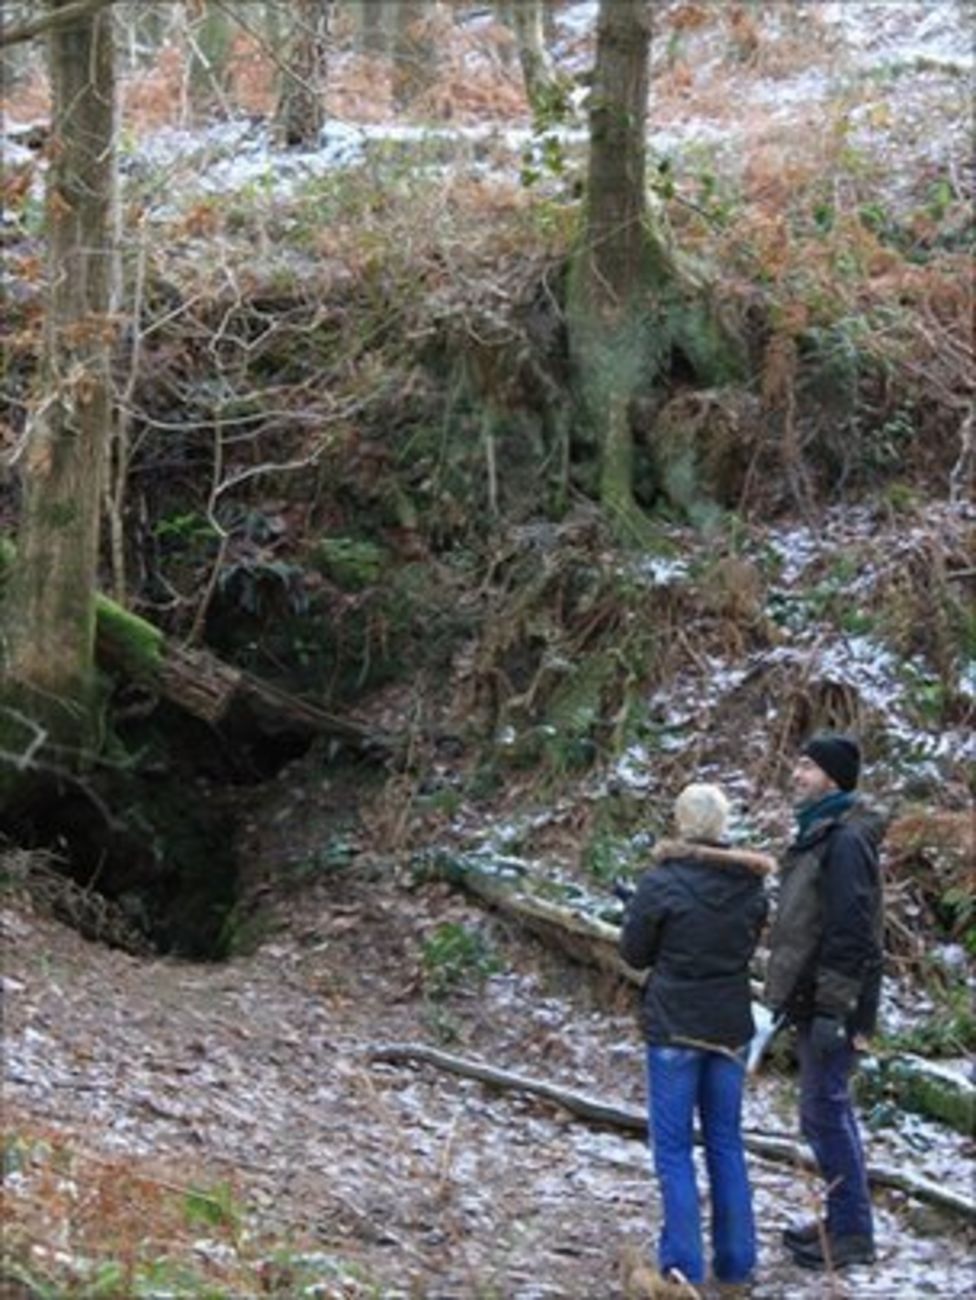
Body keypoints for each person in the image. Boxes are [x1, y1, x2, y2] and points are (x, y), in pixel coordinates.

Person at [620, 782, 773, 1291]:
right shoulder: (752, 888)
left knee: (673, 1149)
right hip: (729, 1027)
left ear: (681, 822)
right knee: (726, 1144)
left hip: (674, 1027)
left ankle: (682, 1268)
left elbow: (635, 954)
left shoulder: (661, 882)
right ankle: (737, 1264)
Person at [765, 733, 885, 1272]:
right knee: (824, 1111)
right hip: (816, 997)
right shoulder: (821, 833)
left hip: (832, 1001)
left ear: (832, 779)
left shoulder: (844, 841)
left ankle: (853, 1233)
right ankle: (845, 1223)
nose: (796, 774)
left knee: (825, 1112)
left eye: (807, 767)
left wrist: (834, 1011)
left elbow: (849, 931)